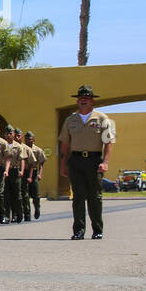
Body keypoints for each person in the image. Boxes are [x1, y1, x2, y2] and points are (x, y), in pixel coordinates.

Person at [59, 84, 113, 240]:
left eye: (87, 98)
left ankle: (97, 229)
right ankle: (79, 230)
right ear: (77, 101)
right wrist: (63, 164)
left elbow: (108, 142)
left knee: (95, 197)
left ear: (92, 101)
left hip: (94, 160)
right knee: (78, 197)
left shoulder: (102, 118)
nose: (83, 100)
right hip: (76, 161)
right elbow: (65, 145)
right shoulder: (70, 120)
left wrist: (106, 162)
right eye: (81, 98)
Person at [24, 131, 45, 219]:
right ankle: (27, 214)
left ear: (34, 140)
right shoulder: (23, 148)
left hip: (34, 173)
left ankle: (37, 208)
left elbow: (41, 163)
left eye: (31, 139)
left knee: (36, 194)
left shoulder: (38, 150)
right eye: (27, 139)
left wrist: (40, 174)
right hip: (25, 172)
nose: (29, 141)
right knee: (25, 194)